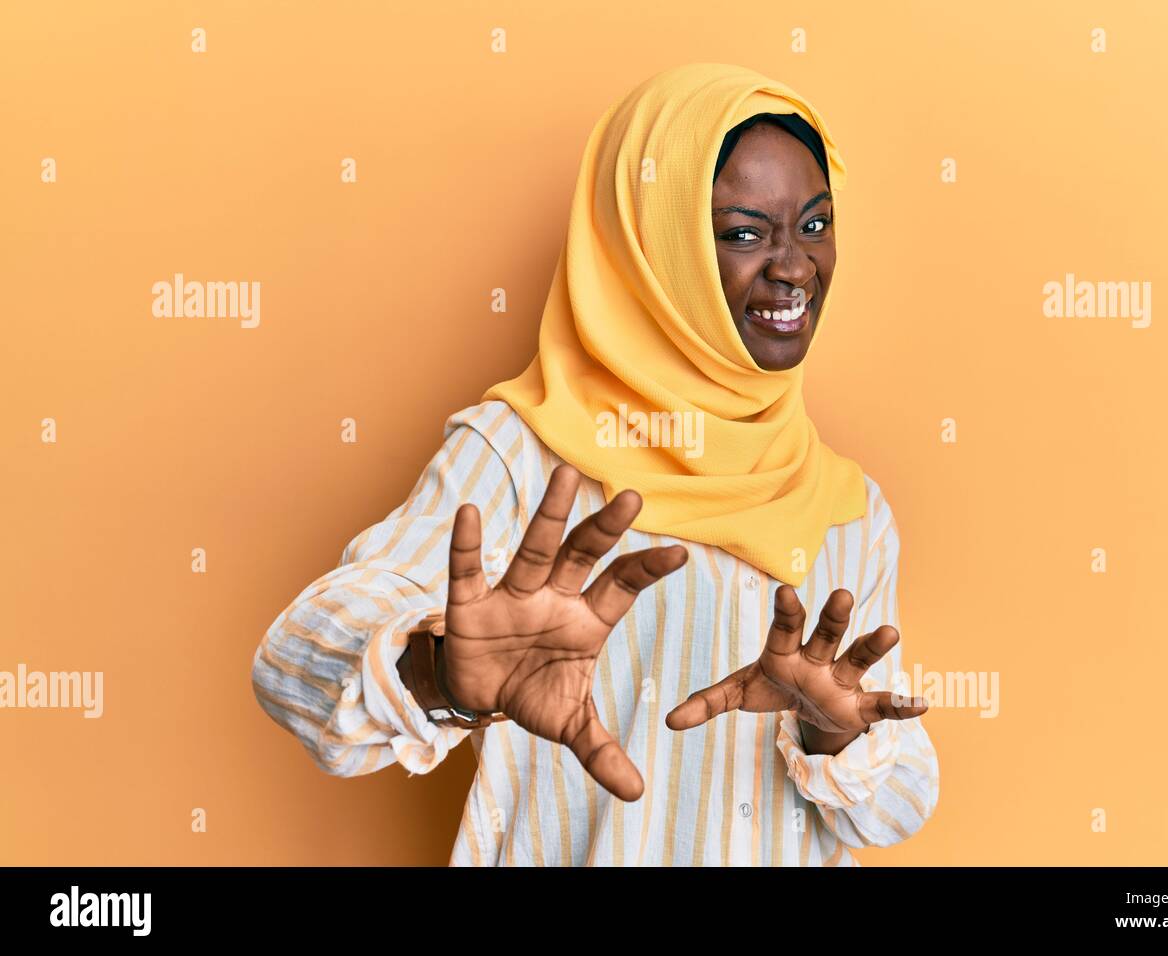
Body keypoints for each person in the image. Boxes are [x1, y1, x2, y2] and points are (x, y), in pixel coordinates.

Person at [251, 62, 940, 866]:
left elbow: (894, 811)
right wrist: (438, 675)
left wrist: (831, 734)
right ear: (652, 249)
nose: (794, 266)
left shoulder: (848, 508)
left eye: (815, 224)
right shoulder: (523, 452)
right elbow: (297, 666)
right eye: (743, 233)